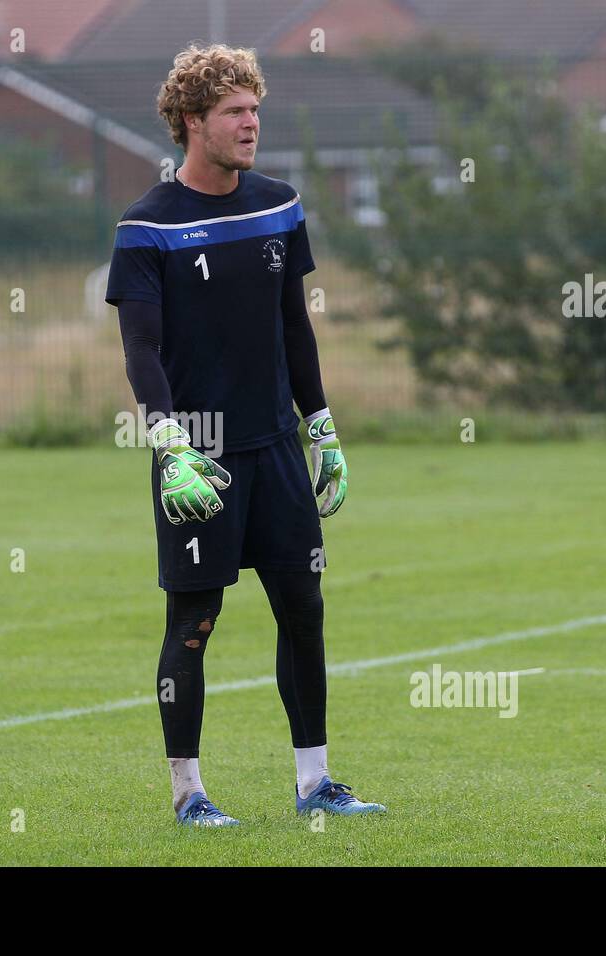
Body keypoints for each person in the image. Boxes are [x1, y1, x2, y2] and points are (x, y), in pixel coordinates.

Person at [104, 43, 387, 827]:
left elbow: (294, 327)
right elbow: (141, 349)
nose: (251, 123)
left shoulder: (278, 204)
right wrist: (167, 443)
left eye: (255, 108)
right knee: (192, 625)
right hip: (198, 455)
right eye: (234, 111)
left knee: (305, 608)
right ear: (192, 122)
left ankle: (316, 783)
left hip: (276, 449)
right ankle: (189, 795)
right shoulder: (145, 227)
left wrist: (321, 425)